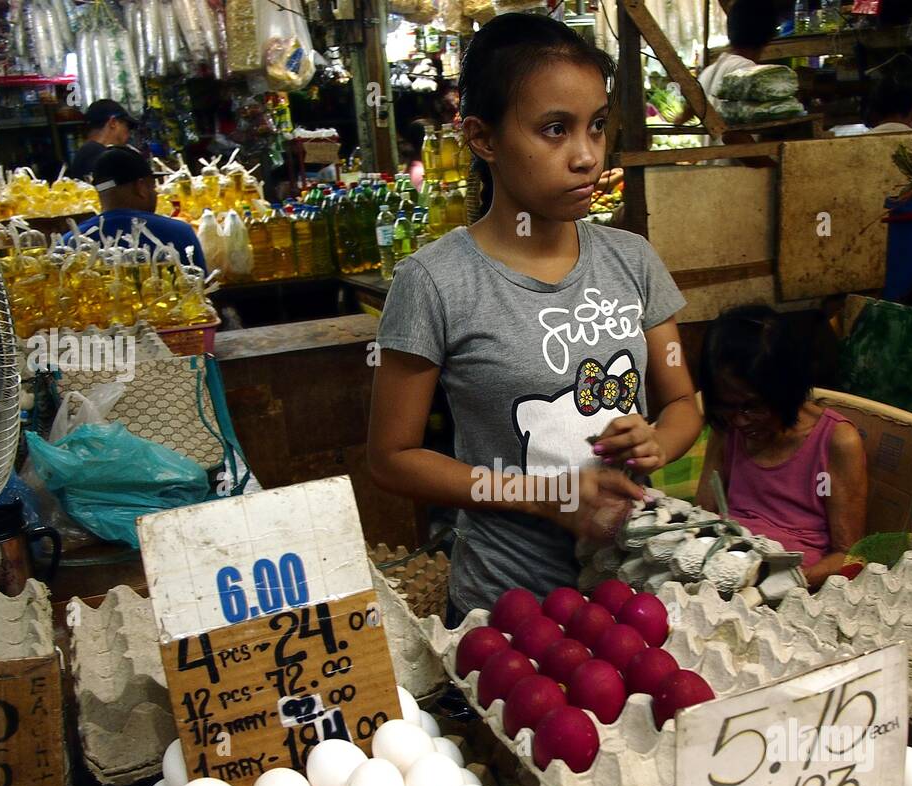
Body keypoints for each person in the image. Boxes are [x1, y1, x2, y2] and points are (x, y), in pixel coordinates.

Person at [368, 13, 703, 624]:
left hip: (633, 588)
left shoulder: (633, 260)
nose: (586, 155)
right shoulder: (436, 283)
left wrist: (658, 441)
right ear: (483, 137)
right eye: (555, 129)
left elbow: (683, 404)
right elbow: (391, 456)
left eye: (596, 126)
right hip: (512, 607)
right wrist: (546, 496)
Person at [695, 307, 867, 588]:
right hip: (726, 568)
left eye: (752, 406)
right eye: (726, 406)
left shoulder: (835, 441)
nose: (739, 420)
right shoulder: (728, 428)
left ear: (786, 391)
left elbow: (850, 556)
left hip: (795, 583)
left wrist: (784, 583)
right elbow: (703, 519)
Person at [78, 146, 207, 271]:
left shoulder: (71, 242)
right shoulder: (179, 232)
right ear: (140, 188)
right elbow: (201, 288)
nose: (156, 193)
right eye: (153, 187)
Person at [669, 0, 776, 129]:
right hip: (739, 150)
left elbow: (685, 115)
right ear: (769, 35)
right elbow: (735, 135)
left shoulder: (710, 71)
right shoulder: (749, 73)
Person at [69, 99, 138, 182]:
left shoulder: (88, 151)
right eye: (128, 126)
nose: (129, 133)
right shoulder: (99, 155)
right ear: (113, 123)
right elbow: (106, 189)